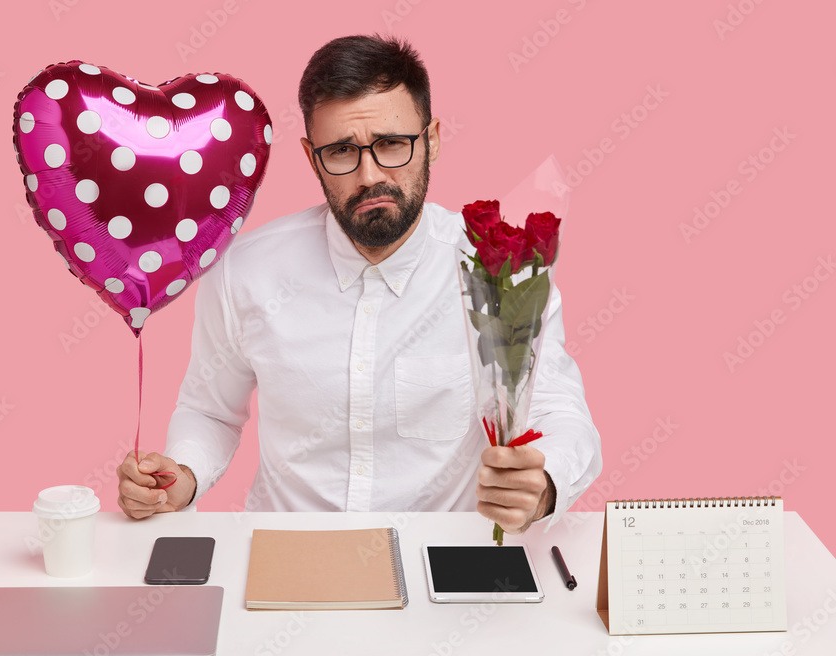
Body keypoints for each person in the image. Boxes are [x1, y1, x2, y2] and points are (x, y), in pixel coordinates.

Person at [117, 35, 601, 534]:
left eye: (392, 144)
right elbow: (210, 411)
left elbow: (557, 407)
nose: (369, 176)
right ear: (311, 157)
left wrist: (543, 484)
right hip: (287, 558)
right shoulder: (246, 270)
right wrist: (182, 475)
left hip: (441, 568)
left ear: (431, 138)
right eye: (343, 150)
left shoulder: (498, 268)